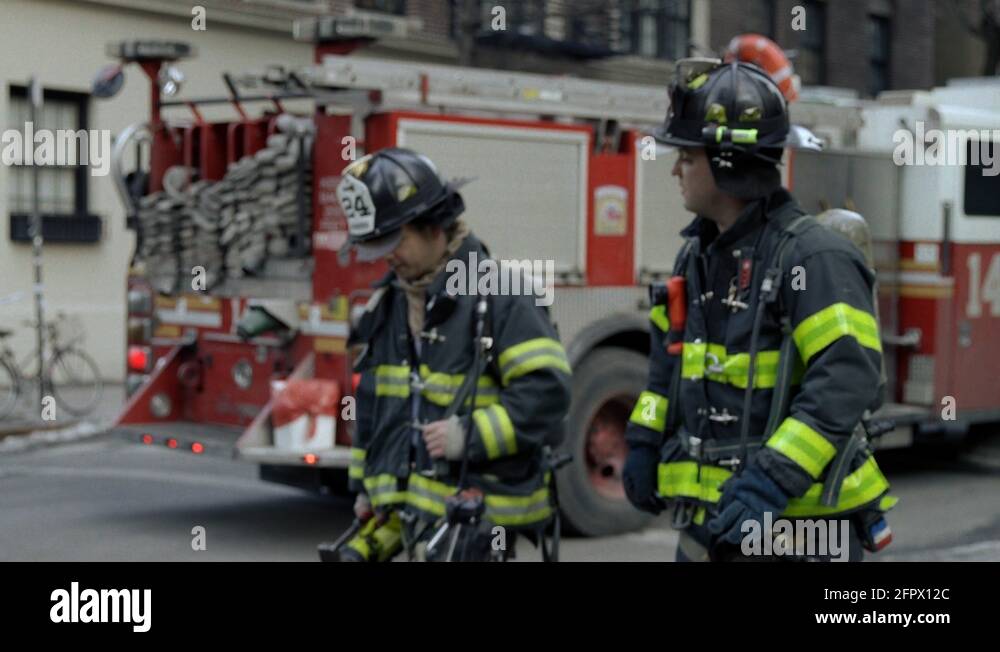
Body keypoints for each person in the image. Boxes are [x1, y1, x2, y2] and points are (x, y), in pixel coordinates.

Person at [622, 59, 896, 562]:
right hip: (713, 522)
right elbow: (665, 367)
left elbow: (846, 380)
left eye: (686, 154)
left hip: (800, 532)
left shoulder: (814, 257)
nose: (676, 168)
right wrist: (642, 438)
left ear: (726, 161)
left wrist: (771, 481)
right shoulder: (699, 255)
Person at [331, 147, 572, 561]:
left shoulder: (502, 296)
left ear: (435, 226)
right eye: (377, 243)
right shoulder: (389, 304)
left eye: (395, 240)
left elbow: (547, 394)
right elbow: (374, 408)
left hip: (483, 524)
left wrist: (470, 435)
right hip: (418, 523)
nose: (387, 255)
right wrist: (369, 491)